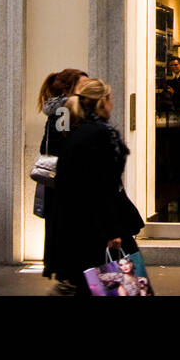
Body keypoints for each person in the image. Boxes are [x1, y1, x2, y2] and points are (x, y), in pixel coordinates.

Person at [49, 77, 145, 296]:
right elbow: (104, 187)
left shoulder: (77, 133)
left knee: (89, 283)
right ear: (104, 101)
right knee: (123, 286)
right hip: (96, 225)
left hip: (73, 223)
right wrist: (112, 231)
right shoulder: (103, 135)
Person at [37, 68, 87, 294]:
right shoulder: (65, 111)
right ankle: (69, 276)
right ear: (71, 87)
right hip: (65, 179)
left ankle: (67, 274)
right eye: (83, 84)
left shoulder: (60, 108)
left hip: (60, 178)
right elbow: (63, 142)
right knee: (65, 226)